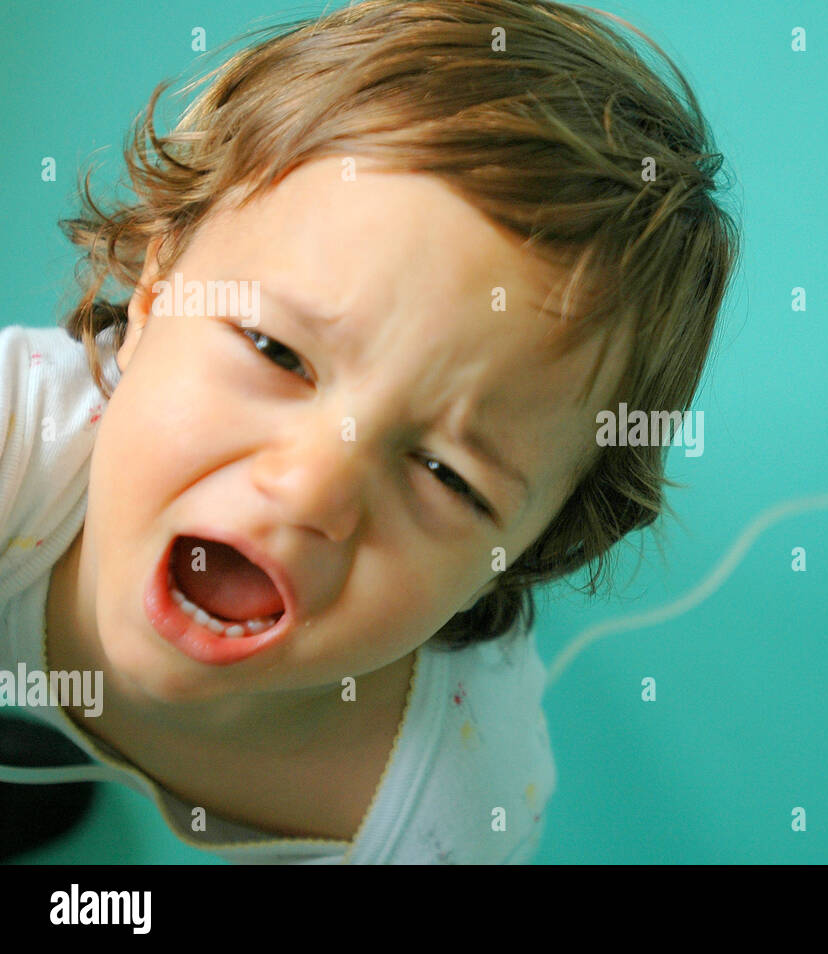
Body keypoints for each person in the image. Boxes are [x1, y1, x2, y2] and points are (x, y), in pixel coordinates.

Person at [0, 0, 739, 863]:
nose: (312, 489)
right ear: (159, 290)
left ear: (530, 556)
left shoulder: (457, 807)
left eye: (445, 473)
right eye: (277, 351)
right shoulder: (18, 440)